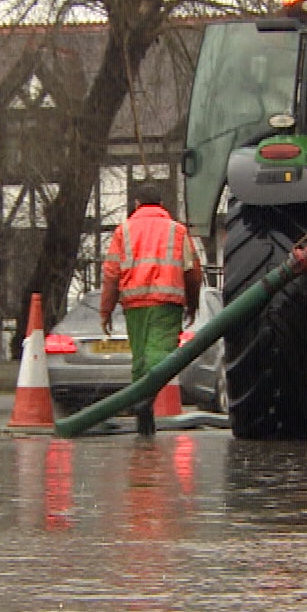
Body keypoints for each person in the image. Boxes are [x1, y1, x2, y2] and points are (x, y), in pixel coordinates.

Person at [100, 184, 203, 437]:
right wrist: (193, 303)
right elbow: (193, 272)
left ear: (137, 204)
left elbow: (111, 274)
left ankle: (143, 417)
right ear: (161, 205)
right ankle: (143, 402)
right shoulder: (177, 231)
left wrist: (105, 310)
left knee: (141, 360)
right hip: (166, 301)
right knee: (160, 355)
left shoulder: (123, 231)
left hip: (134, 304)